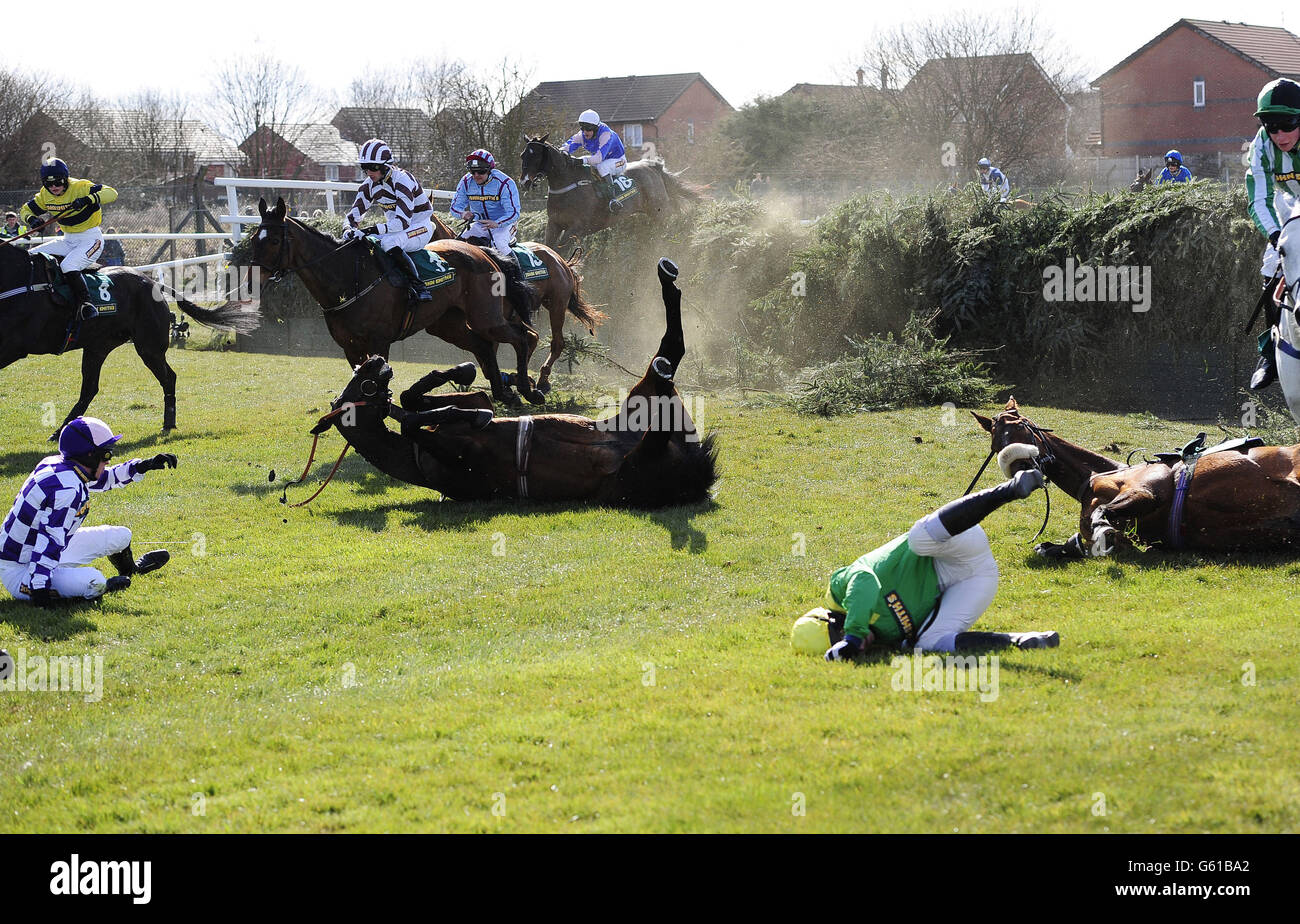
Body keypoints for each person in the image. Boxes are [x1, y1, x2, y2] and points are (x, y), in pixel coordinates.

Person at [791, 469, 1059, 660]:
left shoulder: (840, 588)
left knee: (918, 538)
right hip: (975, 579)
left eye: (837, 635)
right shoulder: (881, 637)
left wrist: (852, 636)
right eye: (841, 646)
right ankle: (1023, 640)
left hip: (953, 544)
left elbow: (866, 581)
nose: (858, 647)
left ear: (831, 618)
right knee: (929, 644)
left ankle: (1011, 489)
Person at [0, 417, 176, 607]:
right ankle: (99, 589)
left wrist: (143, 466)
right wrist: (39, 589)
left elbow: (104, 479)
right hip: (21, 569)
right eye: (106, 455)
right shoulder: (67, 491)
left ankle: (131, 571)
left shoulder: (61, 464)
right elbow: (50, 539)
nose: (108, 461)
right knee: (95, 581)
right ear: (89, 456)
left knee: (122, 535)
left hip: (38, 551)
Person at [1245, 78, 1300, 390]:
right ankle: (1269, 353)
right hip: (1289, 202)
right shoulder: (1262, 146)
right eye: (1270, 126)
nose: (1279, 135)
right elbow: (1259, 199)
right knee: (1272, 264)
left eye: (1287, 126)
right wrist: (1277, 238)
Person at [19, 159, 118, 321]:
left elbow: (112, 193)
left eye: (58, 182)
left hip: (91, 239)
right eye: (49, 184)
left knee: (68, 265)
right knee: (30, 257)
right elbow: (25, 210)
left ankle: (86, 304)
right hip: (67, 240)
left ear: (66, 178)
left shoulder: (81, 187)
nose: (54, 187)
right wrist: (31, 220)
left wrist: (87, 199)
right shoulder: (45, 195)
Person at [342, 138, 434, 303]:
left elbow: (402, 222)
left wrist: (370, 229)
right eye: (365, 168)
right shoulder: (369, 185)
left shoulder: (403, 180)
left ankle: (420, 286)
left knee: (389, 243)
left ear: (385, 166)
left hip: (420, 226)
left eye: (373, 168)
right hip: (395, 229)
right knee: (365, 242)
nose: (369, 172)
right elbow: (352, 215)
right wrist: (347, 230)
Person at [450, 149, 522, 258]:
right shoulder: (466, 181)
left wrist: (497, 223)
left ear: (489, 170)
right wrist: (463, 214)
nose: (476, 175)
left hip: (504, 224)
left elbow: (514, 213)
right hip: (480, 224)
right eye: (472, 172)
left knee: (499, 244)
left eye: (481, 171)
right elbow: (455, 207)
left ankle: (517, 274)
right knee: (458, 245)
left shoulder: (505, 183)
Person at [562, 109, 629, 213]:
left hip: (619, 161)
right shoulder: (582, 135)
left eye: (588, 129)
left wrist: (579, 161)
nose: (585, 132)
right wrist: (560, 152)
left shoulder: (606, 135)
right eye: (582, 128)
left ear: (596, 128)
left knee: (602, 167)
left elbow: (598, 158)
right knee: (581, 161)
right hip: (602, 160)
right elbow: (566, 146)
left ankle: (613, 200)